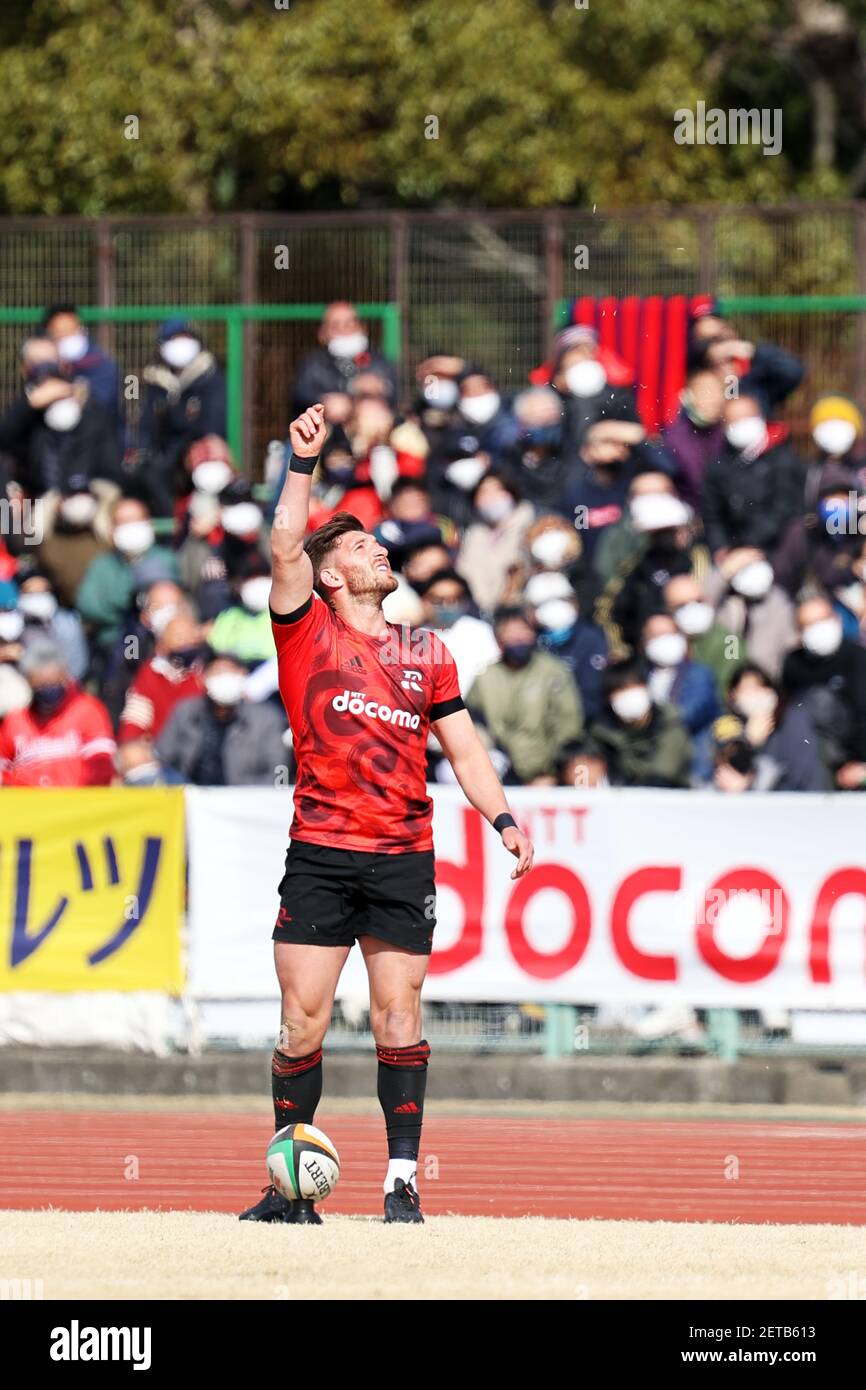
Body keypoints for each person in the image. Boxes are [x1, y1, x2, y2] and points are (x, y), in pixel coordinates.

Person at [238, 403, 533, 1226]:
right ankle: (288, 1185)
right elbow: (283, 544)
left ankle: (402, 1180)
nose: (380, 549)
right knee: (302, 1021)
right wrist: (302, 464)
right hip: (322, 851)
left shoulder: (428, 651)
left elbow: (466, 752)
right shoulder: (305, 631)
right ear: (330, 573)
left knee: (398, 1016)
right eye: (362, 546)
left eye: (380, 543)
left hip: (403, 854)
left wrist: (503, 820)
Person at [466, 606, 584, 784]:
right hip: (500, 769)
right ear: (499, 639)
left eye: (523, 630)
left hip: (547, 772)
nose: (518, 637)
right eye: (510, 632)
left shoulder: (552, 671)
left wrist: (551, 771)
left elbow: (568, 725)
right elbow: (471, 719)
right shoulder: (485, 676)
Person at [155, 651, 288, 786]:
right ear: (203, 678)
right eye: (217, 673)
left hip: (246, 800)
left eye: (230, 672)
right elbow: (162, 760)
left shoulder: (267, 719)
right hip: (191, 797)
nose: (224, 678)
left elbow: (278, 771)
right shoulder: (186, 712)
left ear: (243, 675)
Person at [701, 393, 805, 561]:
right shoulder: (718, 466)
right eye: (733, 420)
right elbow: (713, 516)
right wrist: (720, 548)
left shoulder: (783, 458)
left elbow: (784, 511)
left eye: (746, 417)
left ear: (760, 417)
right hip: (733, 555)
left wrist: (748, 546)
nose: (741, 424)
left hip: (777, 551)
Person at [138, 319, 227, 515]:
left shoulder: (210, 375)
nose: (181, 345)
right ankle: (169, 532)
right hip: (165, 456)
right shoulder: (155, 379)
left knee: (209, 476)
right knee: (146, 475)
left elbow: (214, 425)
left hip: (198, 452)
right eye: (175, 339)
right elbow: (148, 425)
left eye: (186, 338)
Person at [0, 639, 115, 786]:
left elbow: (101, 765)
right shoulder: (15, 721)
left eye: (53, 683)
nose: (47, 689)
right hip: (30, 806)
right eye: (40, 685)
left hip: (80, 804)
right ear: (29, 683)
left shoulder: (87, 710)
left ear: (64, 678)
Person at [75, 495, 179, 657]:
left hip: (161, 639)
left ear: (149, 523)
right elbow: (88, 605)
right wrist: (124, 610)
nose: (130, 527)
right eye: (123, 522)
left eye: (135, 519)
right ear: (112, 528)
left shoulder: (165, 558)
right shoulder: (102, 564)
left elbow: (175, 600)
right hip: (114, 640)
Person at [782, 595, 866, 788]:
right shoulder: (793, 664)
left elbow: (863, 713)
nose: (818, 628)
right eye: (809, 624)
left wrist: (859, 761)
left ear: (836, 619)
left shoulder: (856, 657)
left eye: (822, 619)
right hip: (811, 750)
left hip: (852, 753)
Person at [586, 659, 692, 788]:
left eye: (634, 686)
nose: (629, 695)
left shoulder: (670, 726)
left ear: (646, 688)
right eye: (621, 689)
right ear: (609, 699)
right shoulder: (600, 733)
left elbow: (662, 776)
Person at [640, 612, 720, 779]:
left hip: (693, 764)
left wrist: (650, 720)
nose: (663, 640)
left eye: (669, 633)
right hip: (649, 764)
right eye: (656, 635)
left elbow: (691, 712)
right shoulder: (641, 675)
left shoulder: (699, 674)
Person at [725, 664, 828, 791]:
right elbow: (727, 773)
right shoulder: (728, 726)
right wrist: (748, 743)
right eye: (746, 689)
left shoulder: (793, 719)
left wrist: (749, 788)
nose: (754, 695)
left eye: (759, 687)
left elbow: (800, 775)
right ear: (733, 695)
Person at [525, 571, 608, 721]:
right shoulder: (528, 642)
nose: (554, 608)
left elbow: (592, 694)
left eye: (562, 600)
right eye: (543, 604)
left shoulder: (591, 638)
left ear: (574, 602)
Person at [291, 302, 397, 414]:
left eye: (350, 324)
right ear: (322, 334)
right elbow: (303, 395)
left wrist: (380, 387)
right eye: (336, 326)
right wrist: (344, 391)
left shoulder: (377, 359)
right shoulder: (314, 363)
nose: (344, 330)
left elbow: (394, 391)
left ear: (363, 328)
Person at [118, 613, 205, 744]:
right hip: (158, 750)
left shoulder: (205, 672)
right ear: (161, 644)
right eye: (178, 636)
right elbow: (135, 719)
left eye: (189, 635)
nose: (185, 641)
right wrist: (131, 744)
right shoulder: (151, 673)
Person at [456, 472, 534, 614]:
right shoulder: (472, 535)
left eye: (498, 490)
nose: (491, 498)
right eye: (483, 492)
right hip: (477, 612)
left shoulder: (533, 527)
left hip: (519, 613)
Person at [41, 303, 122, 434]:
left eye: (71, 332)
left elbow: (105, 404)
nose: (66, 339)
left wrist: (67, 391)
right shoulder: (43, 368)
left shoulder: (103, 367)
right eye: (59, 334)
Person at [662, 572, 745, 699]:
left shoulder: (730, 642)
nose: (691, 609)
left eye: (698, 601)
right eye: (681, 605)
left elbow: (727, 689)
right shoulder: (667, 644)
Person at [661, 368, 725, 510]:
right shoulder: (673, 437)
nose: (714, 399)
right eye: (706, 392)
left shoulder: (728, 432)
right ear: (687, 397)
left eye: (718, 392)